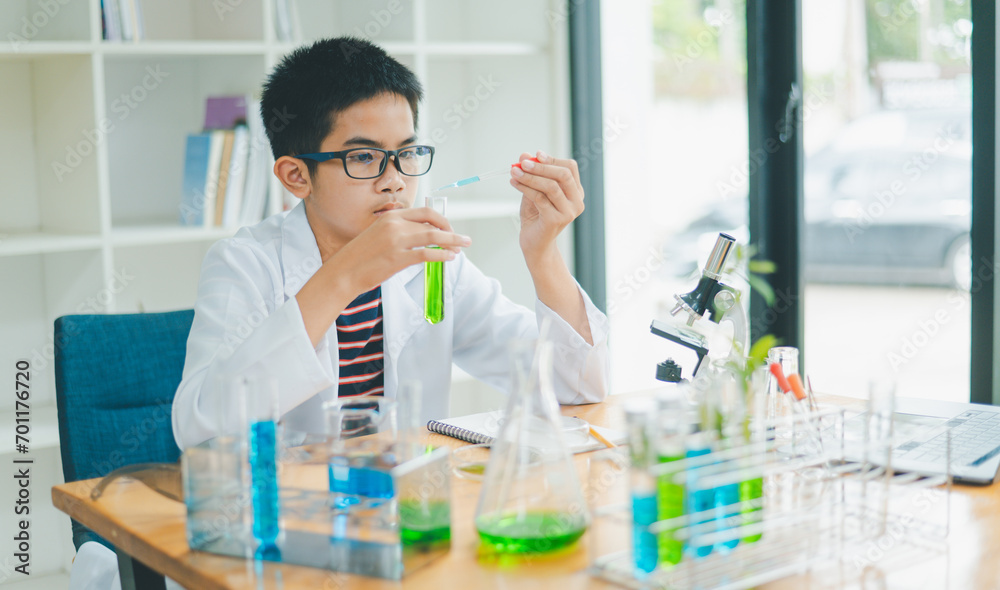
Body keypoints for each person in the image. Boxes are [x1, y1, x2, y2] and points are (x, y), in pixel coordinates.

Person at [170, 36, 609, 450]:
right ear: (296, 176)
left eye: (406, 154)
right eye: (363, 157)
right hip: (297, 514)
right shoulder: (245, 265)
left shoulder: (433, 264)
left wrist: (542, 252)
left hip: (412, 506)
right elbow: (203, 431)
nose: (395, 181)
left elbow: (576, 387)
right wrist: (345, 275)